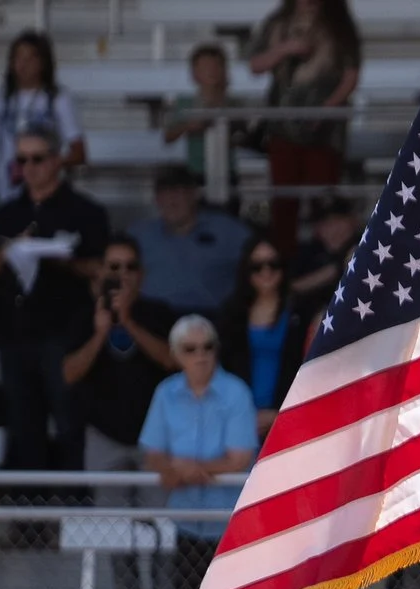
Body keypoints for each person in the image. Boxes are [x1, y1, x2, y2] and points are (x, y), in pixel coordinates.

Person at [0, 126, 110, 471]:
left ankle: (73, 504)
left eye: (38, 158)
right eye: (22, 160)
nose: (29, 167)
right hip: (16, 333)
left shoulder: (86, 211)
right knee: (22, 429)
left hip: (65, 333)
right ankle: (31, 506)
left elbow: (104, 267)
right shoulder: (8, 213)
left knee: (70, 425)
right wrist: (10, 251)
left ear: (57, 160)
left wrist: (64, 261)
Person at [135, 315, 256, 589]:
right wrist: (175, 469)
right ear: (176, 354)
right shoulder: (165, 392)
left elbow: (240, 458)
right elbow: (152, 453)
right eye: (190, 349)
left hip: (228, 525)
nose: (201, 355)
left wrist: (188, 469)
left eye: (207, 347)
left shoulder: (237, 392)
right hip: (182, 525)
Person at [247, 0, 360, 252]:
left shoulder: (339, 26)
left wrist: (326, 109)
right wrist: (285, 49)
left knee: (322, 197)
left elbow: (351, 75)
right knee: (284, 199)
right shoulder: (278, 23)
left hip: (325, 130)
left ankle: (324, 255)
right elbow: (255, 64)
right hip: (282, 124)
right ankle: (284, 257)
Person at [63, 234, 180, 475]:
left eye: (130, 267)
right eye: (114, 267)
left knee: (156, 503)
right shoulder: (82, 316)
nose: (123, 274)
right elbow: (69, 374)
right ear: (101, 272)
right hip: (103, 435)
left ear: (141, 274)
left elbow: (171, 360)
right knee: (107, 503)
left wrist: (128, 321)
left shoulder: (159, 313)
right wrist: (100, 334)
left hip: (155, 436)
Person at [217, 236, 313, 436]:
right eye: (257, 266)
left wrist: (281, 412)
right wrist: (242, 413)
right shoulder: (231, 313)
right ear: (246, 270)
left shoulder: (302, 311)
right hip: (238, 418)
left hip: (289, 416)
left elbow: (310, 368)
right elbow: (223, 366)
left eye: (273, 264)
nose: (266, 271)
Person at [132, 165, 252, 317]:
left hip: (212, 317)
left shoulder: (228, 230)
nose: (171, 200)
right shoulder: (140, 235)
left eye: (178, 192)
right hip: (151, 318)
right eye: (164, 193)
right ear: (156, 199)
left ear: (193, 194)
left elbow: (261, 262)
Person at [0, 31, 86, 201]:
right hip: (6, 193)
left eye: (30, 58)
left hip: (46, 194)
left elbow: (79, 152)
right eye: (18, 58)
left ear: (43, 63)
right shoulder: (0, 99)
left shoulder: (58, 99)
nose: (23, 64)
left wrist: (49, 164)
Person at [164, 44, 241, 193]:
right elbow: (168, 136)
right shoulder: (184, 103)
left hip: (228, 172)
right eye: (205, 67)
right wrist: (189, 126)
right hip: (196, 172)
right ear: (194, 73)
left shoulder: (234, 104)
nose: (211, 72)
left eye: (215, 67)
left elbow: (244, 135)